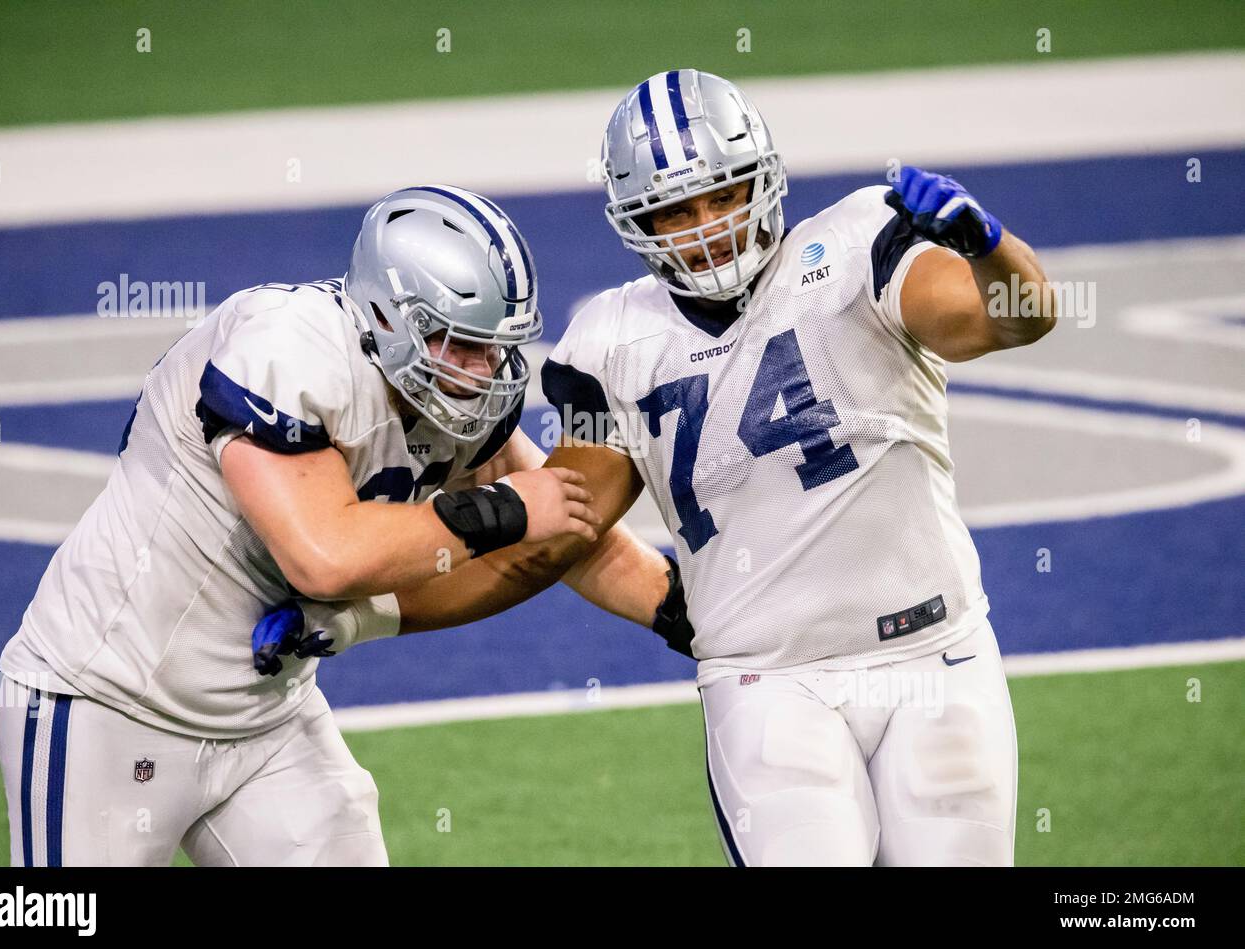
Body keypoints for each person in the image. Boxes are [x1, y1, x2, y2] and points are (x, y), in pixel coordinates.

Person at [299, 70, 1057, 866]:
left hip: (934, 654)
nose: (708, 226)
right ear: (636, 220)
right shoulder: (609, 343)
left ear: (763, 180)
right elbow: (558, 532)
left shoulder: (861, 244)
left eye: (725, 195)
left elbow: (1011, 322)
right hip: (769, 682)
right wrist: (366, 614)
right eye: (678, 208)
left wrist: (991, 249)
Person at [0, 184, 677, 866]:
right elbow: (323, 559)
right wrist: (504, 509)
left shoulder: (455, 392)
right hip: (107, 703)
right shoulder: (287, 351)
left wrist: (685, 611)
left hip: (266, 721)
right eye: (460, 344)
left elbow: (564, 530)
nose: (481, 373)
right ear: (388, 317)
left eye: (494, 348)